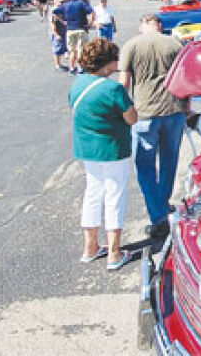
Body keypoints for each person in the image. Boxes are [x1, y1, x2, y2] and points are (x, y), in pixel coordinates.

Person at [69, 38, 138, 270]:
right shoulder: (113, 89)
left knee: (92, 193)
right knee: (114, 196)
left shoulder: (78, 84)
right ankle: (115, 252)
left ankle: (90, 247)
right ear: (107, 63)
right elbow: (132, 118)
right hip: (112, 148)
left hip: (86, 148)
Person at [119, 14, 186, 239]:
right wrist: (187, 107)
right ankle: (163, 204)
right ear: (159, 25)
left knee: (145, 166)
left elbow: (123, 84)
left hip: (144, 113)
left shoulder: (131, 45)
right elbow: (185, 78)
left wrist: (123, 111)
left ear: (142, 25)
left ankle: (158, 218)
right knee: (169, 161)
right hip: (174, 111)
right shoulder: (175, 44)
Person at [54, 0, 95, 74]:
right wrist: (91, 23)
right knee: (81, 49)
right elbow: (92, 12)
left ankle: (72, 68)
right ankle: (80, 67)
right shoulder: (81, 4)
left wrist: (63, 21)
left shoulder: (65, 5)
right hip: (81, 29)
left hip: (70, 30)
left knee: (72, 51)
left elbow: (55, 12)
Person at [49, 0, 69, 72]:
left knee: (61, 48)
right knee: (57, 49)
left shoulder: (61, 10)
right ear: (55, 2)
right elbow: (52, 24)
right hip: (57, 32)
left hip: (62, 31)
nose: (62, 3)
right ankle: (57, 65)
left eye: (63, 1)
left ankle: (59, 64)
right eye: (60, 2)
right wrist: (56, 34)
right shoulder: (54, 11)